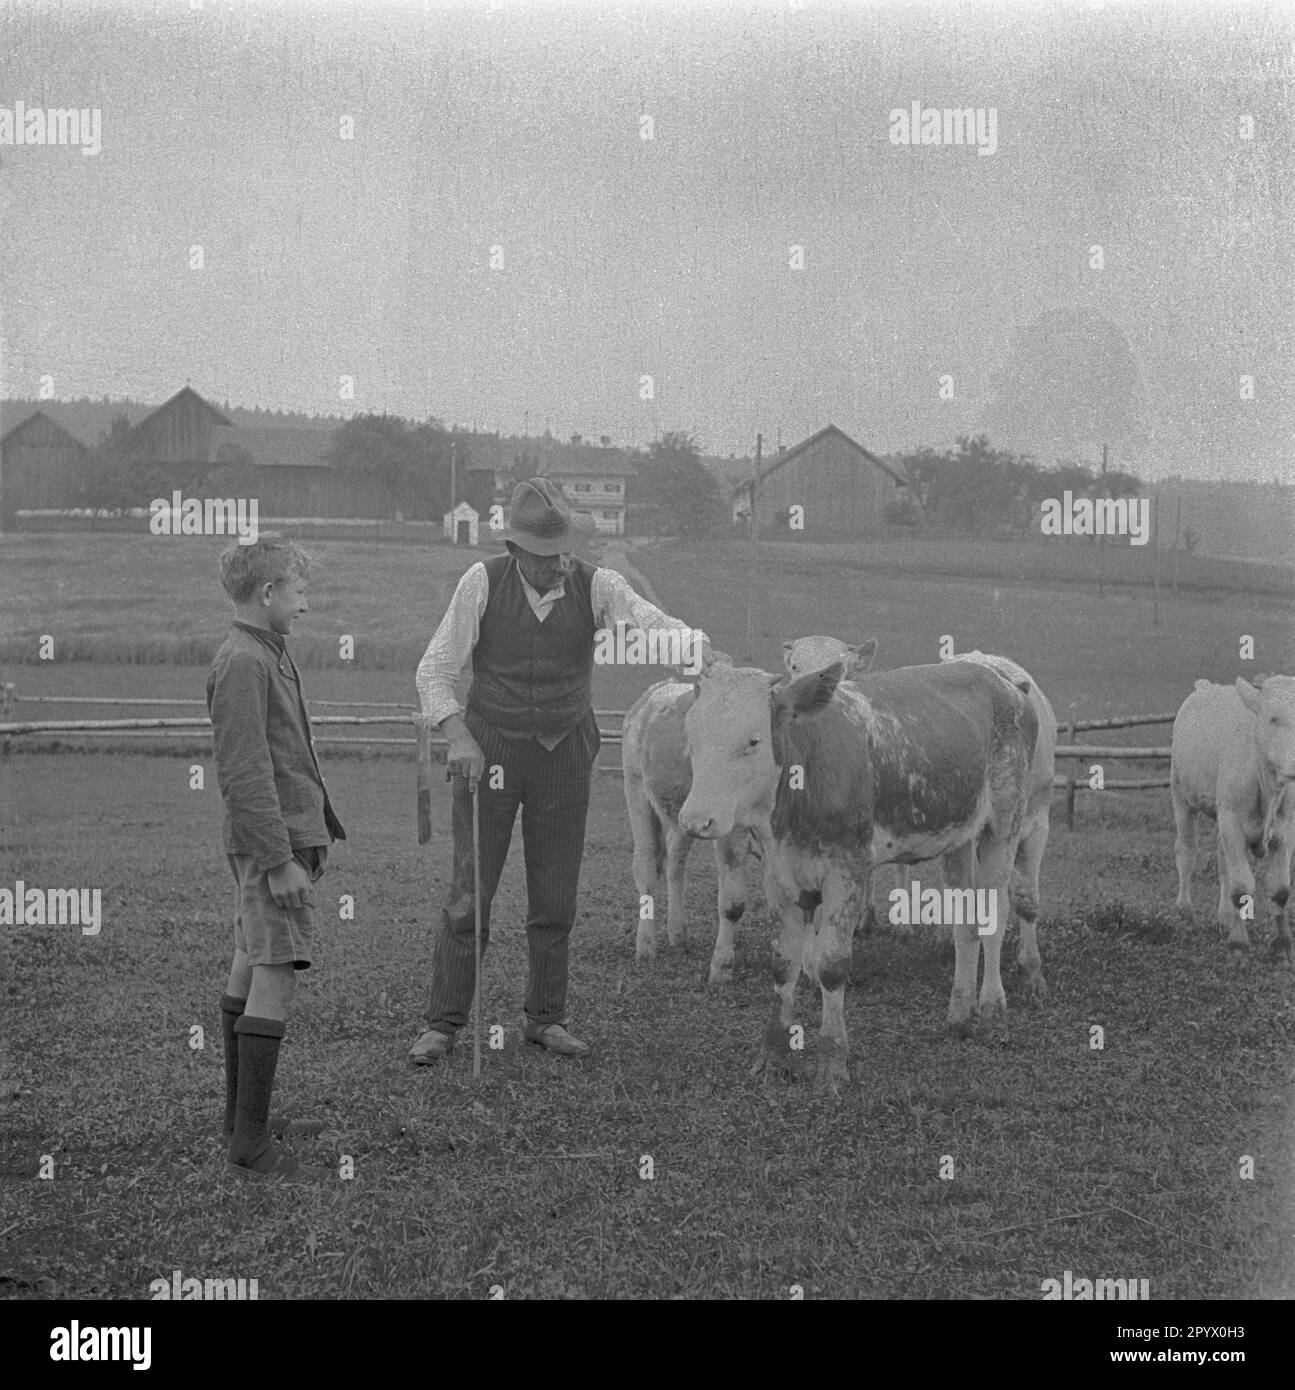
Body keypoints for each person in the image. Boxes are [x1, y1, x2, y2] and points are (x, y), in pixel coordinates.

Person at [410, 477, 710, 1064]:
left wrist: (693, 646)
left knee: (555, 895)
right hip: (489, 751)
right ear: (516, 551)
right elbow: (433, 671)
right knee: (471, 892)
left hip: (565, 751)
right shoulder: (482, 582)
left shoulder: (598, 584)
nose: (562, 563)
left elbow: (651, 623)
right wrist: (460, 736)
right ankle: (442, 1025)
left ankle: (545, 1019)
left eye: (567, 549)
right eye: (548, 556)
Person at [207, 534, 346, 1182]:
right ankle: (250, 1149)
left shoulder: (266, 651)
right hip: (272, 849)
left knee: (249, 959)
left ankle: (243, 1122)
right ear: (267, 594)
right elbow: (243, 771)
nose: (306, 606)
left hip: (279, 840)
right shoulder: (244, 662)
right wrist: (278, 859)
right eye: (299, 591)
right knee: (277, 973)